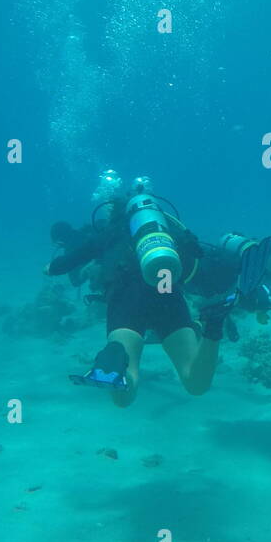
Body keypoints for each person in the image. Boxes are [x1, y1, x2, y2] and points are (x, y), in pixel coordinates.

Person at [62, 172, 230, 408]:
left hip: (125, 297)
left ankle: (113, 359)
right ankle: (212, 329)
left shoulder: (111, 232)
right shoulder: (168, 229)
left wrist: (50, 268)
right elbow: (196, 262)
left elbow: (72, 258)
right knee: (195, 384)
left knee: (124, 397)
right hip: (167, 293)